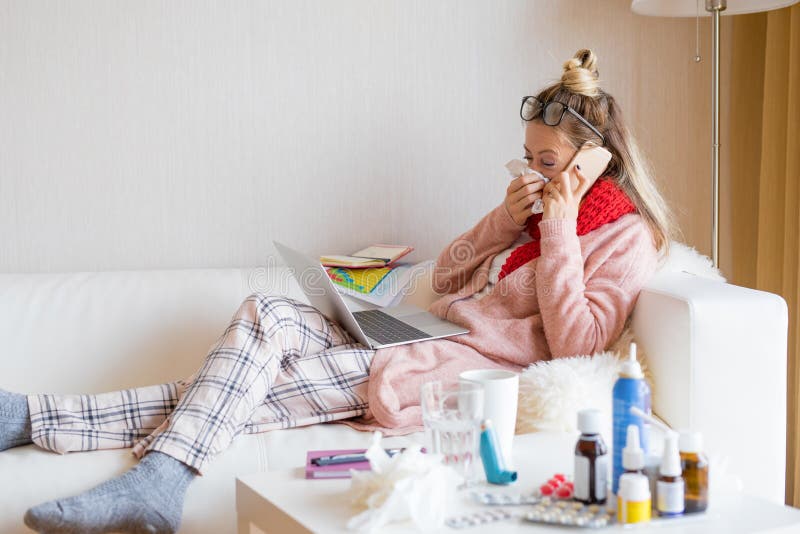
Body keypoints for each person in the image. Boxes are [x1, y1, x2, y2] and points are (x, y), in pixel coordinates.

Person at [0, 48, 677, 533]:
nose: (533, 173)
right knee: (268, 311)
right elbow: (444, 279)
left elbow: (578, 343)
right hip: (417, 335)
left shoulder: (625, 239)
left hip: (448, 373)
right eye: (527, 158)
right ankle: (78, 444)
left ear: (596, 160)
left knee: (239, 390)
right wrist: (507, 218)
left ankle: (91, 447)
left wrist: (558, 231)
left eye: (547, 162)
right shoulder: (531, 215)